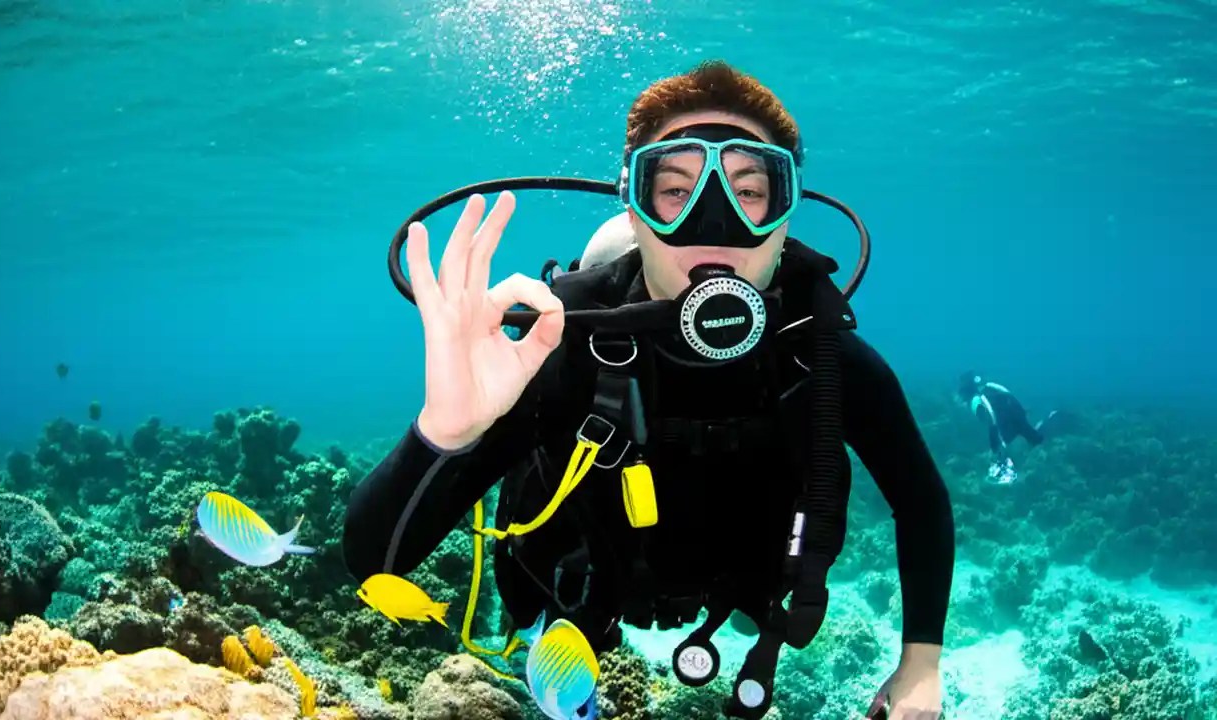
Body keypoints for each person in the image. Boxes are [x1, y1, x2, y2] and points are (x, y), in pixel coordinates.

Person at [343, 60, 953, 719]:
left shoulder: (825, 361)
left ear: (787, 211)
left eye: (749, 191)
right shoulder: (560, 347)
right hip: (579, 601)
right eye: (674, 190)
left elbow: (920, 502)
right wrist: (447, 431)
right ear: (634, 208)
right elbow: (374, 561)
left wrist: (921, 664)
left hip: (744, 596)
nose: (712, 223)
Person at [956, 372, 1057, 484]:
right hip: (1017, 415)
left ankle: (1006, 471)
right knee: (1035, 439)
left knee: (1006, 449)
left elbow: (991, 420)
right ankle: (1050, 420)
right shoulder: (990, 389)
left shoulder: (975, 400)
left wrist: (995, 445)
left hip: (1005, 423)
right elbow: (1009, 397)